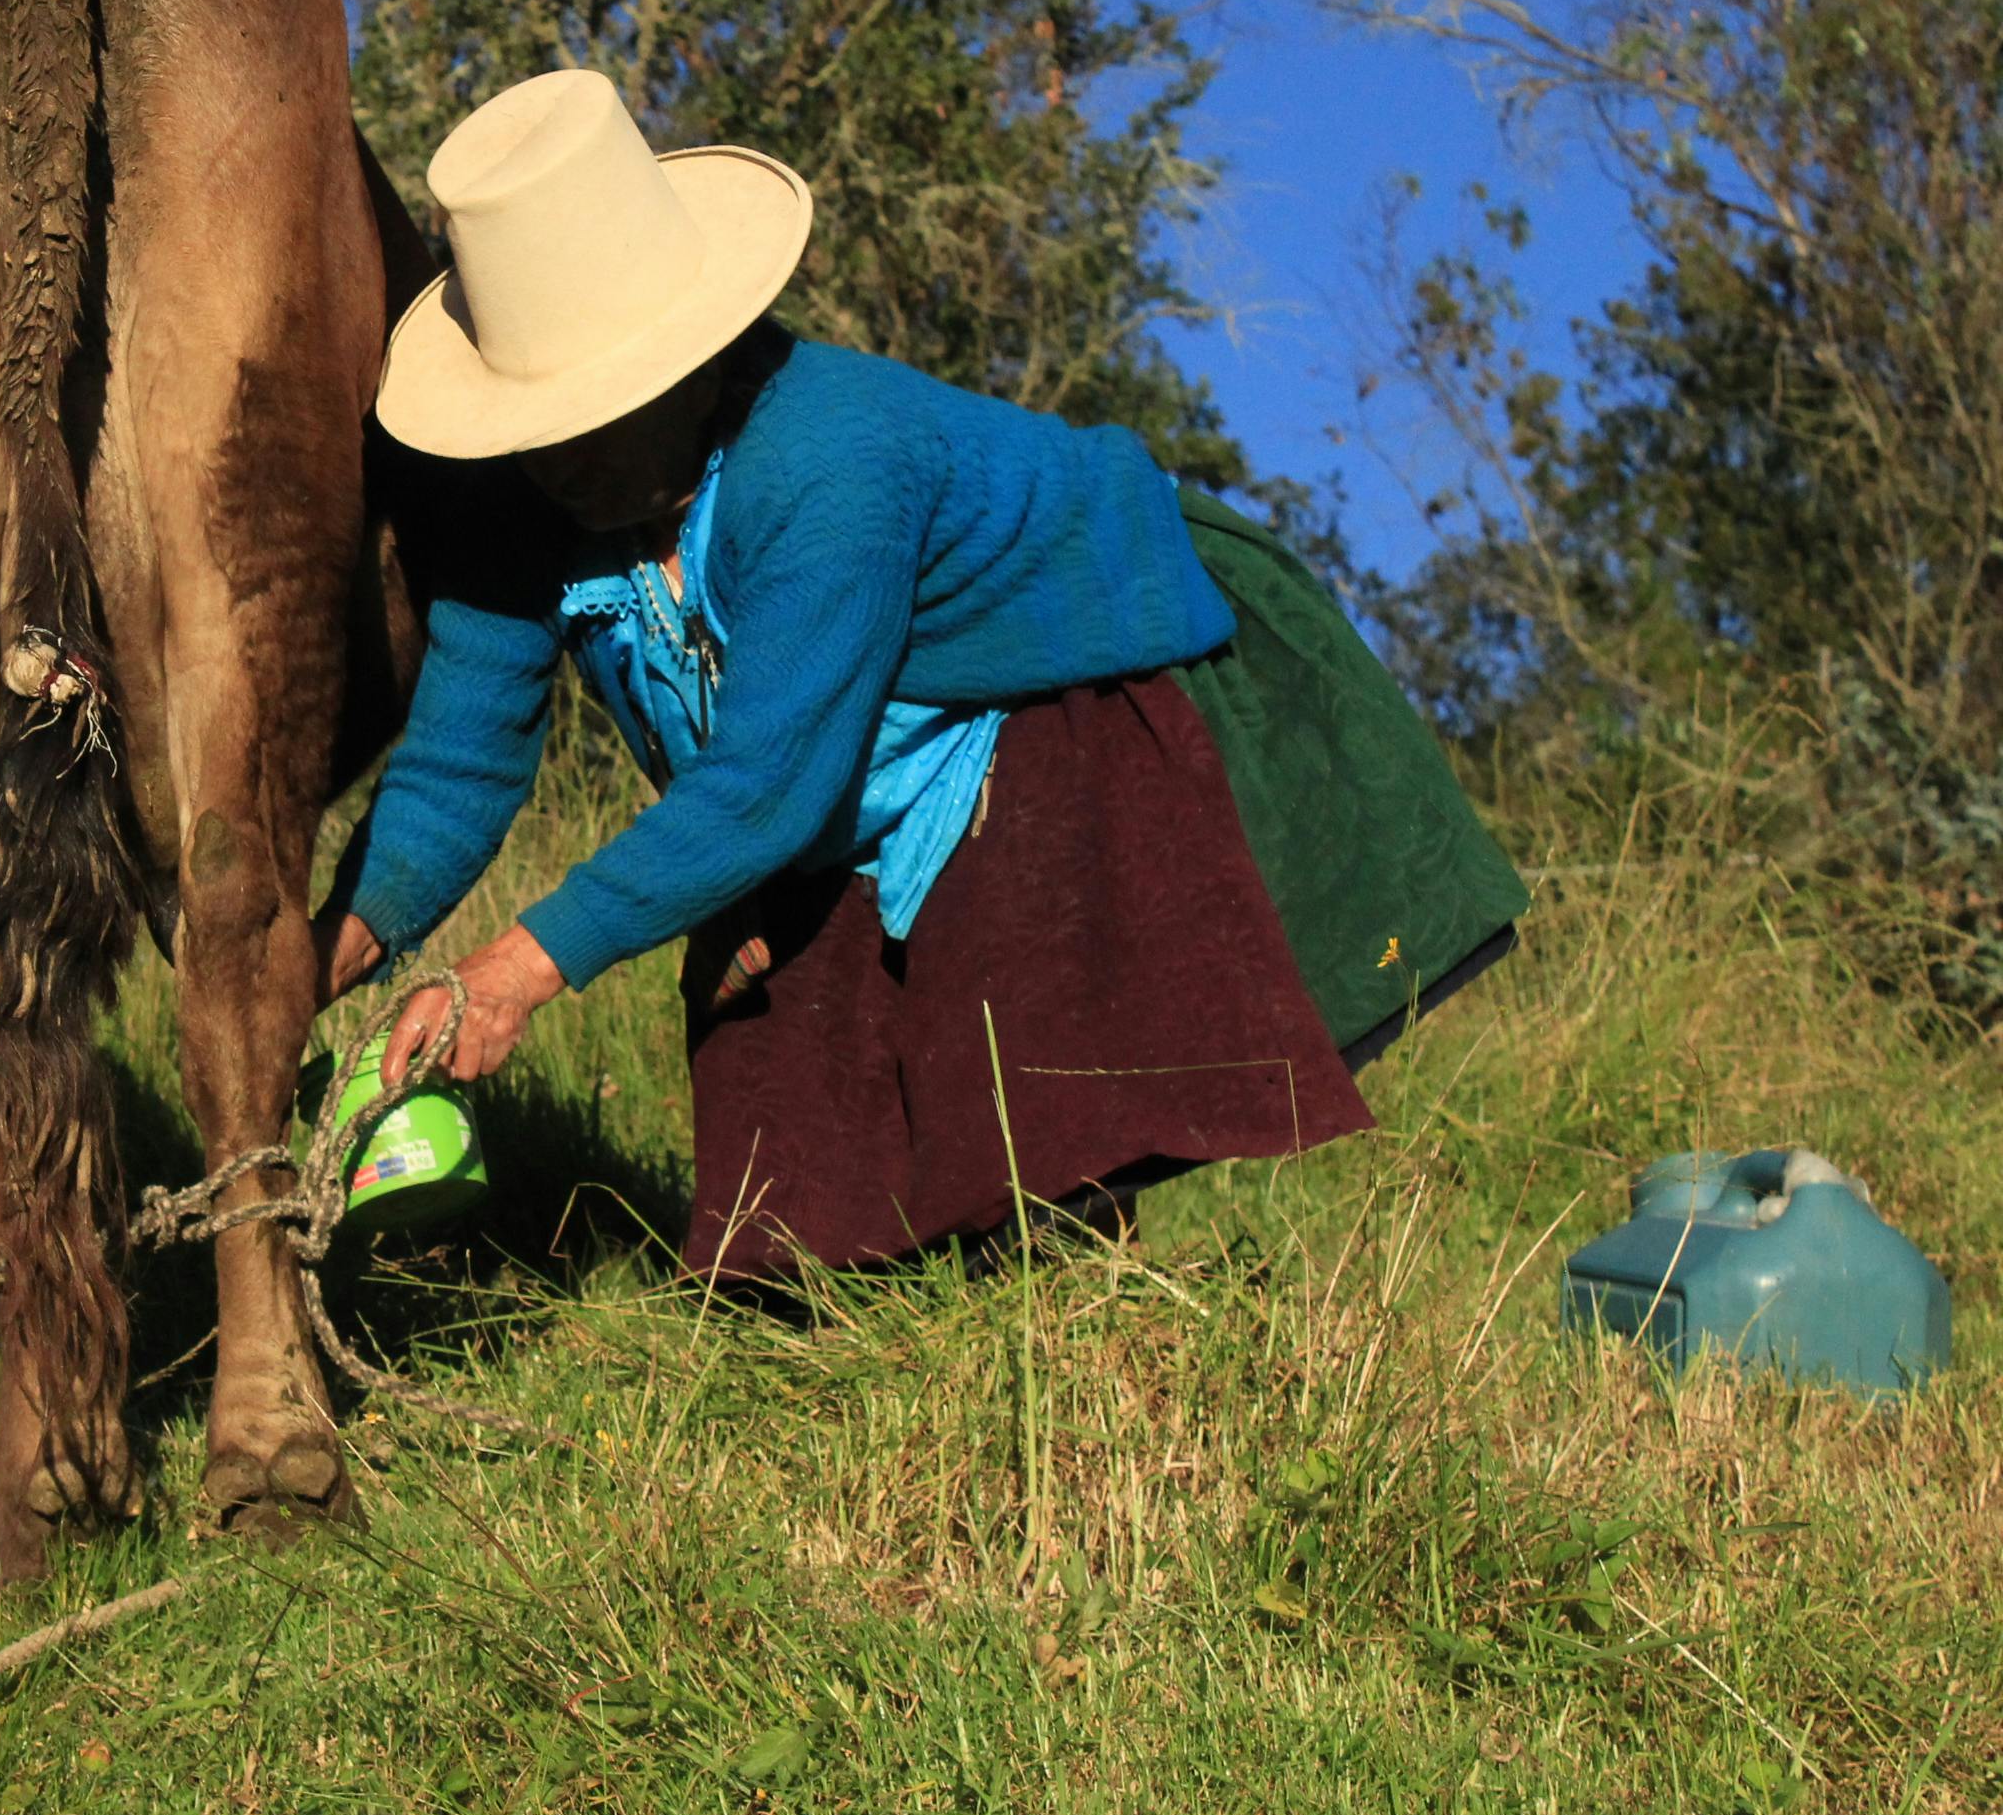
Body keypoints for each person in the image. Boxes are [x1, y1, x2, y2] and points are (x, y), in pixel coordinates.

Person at [320, 69, 1528, 1273]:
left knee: (1029, 1122)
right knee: (784, 1228)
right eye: (538, 425)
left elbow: (763, 789)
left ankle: (1091, 1337)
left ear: (690, 360)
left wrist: (520, 968)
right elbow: (459, 759)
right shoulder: (519, 510)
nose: (566, 456)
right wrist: (326, 947)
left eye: (600, 409)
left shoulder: (827, 458)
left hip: (1055, 689)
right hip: (826, 763)